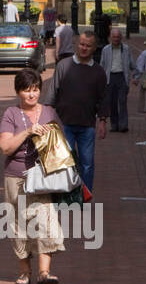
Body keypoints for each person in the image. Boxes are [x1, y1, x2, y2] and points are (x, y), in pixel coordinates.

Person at [0, 68, 63, 284]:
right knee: (19, 225)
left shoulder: (49, 112)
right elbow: (5, 147)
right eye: (27, 91)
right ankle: (25, 271)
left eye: (35, 90)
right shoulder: (11, 114)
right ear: (18, 92)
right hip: (16, 177)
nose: (32, 95)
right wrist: (28, 132)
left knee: (46, 222)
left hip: (43, 178)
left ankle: (44, 273)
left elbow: (60, 145)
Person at [41, 31, 108, 193]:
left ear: (94, 48)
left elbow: (103, 99)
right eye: (82, 44)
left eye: (88, 45)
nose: (84, 48)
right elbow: (52, 94)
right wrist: (46, 119)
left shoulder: (99, 72)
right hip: (65, 124)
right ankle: (66, 194)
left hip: (87, 125)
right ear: (77, 45)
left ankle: (85, 195)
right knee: (65, 162)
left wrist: (103, 121)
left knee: (87, 164)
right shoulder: (64, 65)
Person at [99, 27, 133, 133]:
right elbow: (102, 65)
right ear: (110, 38)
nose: (116, 39)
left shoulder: (126, 49)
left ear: (121, 37)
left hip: (122, 76)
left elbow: (132, 64)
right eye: (114, 37)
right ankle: (114, 125)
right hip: (110, 77)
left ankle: (123, 125)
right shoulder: (105, 50)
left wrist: (136, 76)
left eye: (118, 37)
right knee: (112, 103)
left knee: (122, 101)